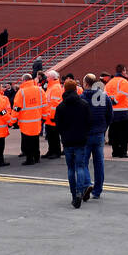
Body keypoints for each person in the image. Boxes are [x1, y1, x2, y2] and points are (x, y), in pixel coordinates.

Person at [54, 79, 92, 207]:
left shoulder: (60, 107)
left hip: (67, 141)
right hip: (81, 140)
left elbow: (58, 125)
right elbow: (89, 122)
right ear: (76, 89)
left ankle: (73, 193)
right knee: (80, 167)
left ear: (64, 89)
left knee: (70, 169)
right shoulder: (84, 104)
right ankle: (79, 193)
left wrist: (64, 135)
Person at [83, 73, 112, 196]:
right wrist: (104, 128)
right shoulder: (104, 97)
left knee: (83, 162)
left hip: (86, 134)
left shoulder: (82, 97)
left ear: (86, 84)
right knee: (99, 163)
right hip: (99, 133)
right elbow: (110, 115)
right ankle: (97, 190)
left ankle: (87, 184)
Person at [10, 73, 44, 165]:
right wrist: (45, 117)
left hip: (26, 121)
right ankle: (37, 157)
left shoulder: (21, 92)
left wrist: (12, 120)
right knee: (35, 139)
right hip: (37, 120)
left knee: (28, 140)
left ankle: (30, 159)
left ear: (24, 81)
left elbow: (16, 108)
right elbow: (44, 105)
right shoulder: (39, 90)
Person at [104, 66, 128, 157]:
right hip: (123, 111)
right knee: (124, 133)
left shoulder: (110, 82)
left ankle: (115, 151)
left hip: (112, 111)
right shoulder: (124, 82)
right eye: (125, 71)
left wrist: (110, 103)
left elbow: (105, 94)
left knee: (114, 132)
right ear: (123, 71)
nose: (126, 73)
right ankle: (123, 152)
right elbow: (123, 93)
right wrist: (115, 101)